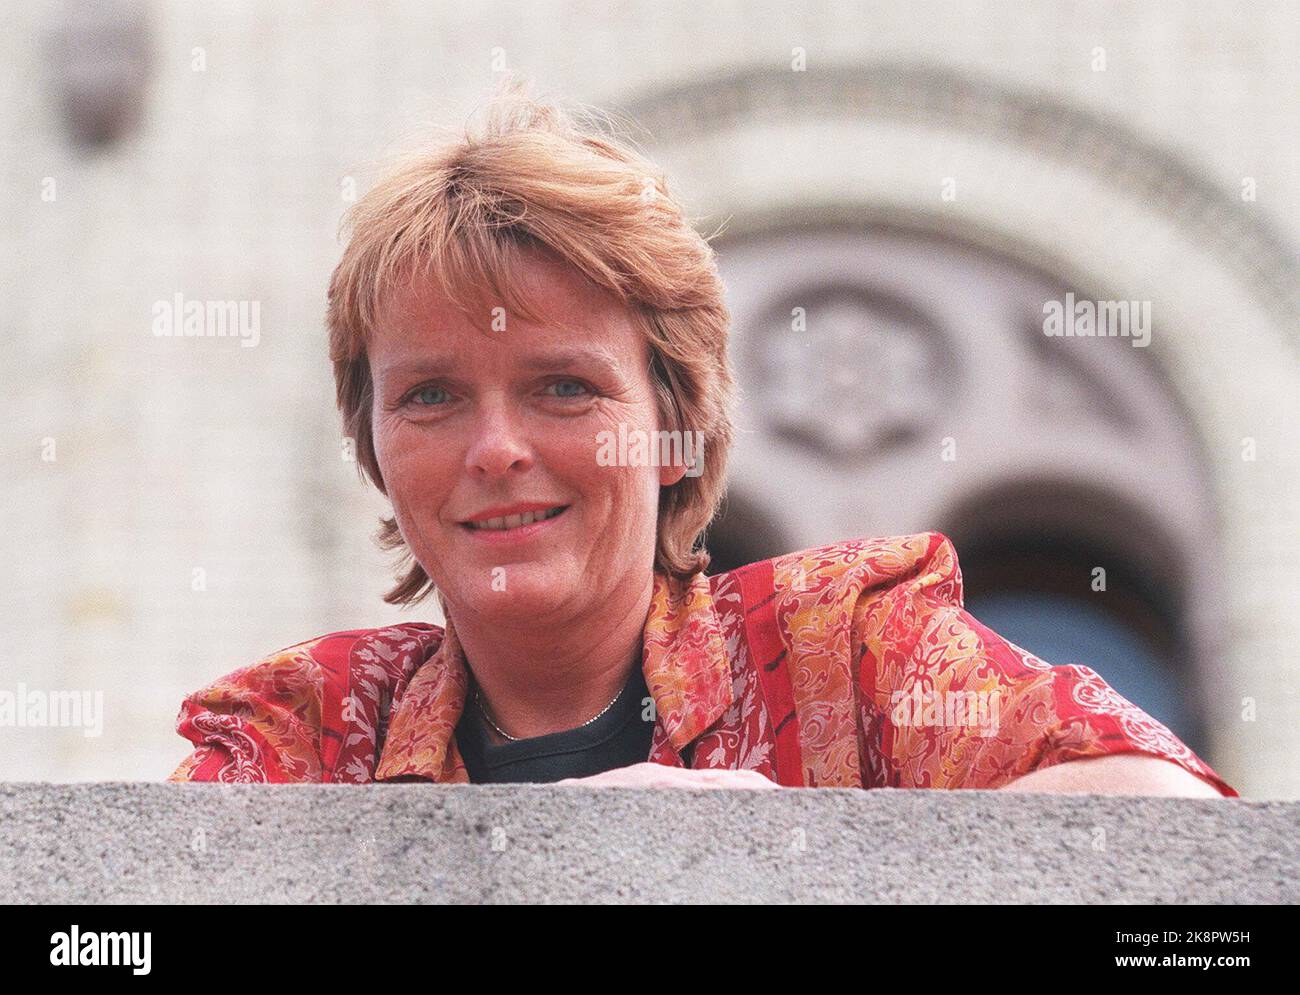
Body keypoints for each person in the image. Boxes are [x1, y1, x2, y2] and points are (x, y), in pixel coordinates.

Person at [167, 81, 1235, 798]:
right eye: (432, 397)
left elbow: (1181, 851)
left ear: (675, 430)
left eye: (562, 387)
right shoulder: (307, 736)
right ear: (375, 451)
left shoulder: (846, 655)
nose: (493, 446)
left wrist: (756, 854)